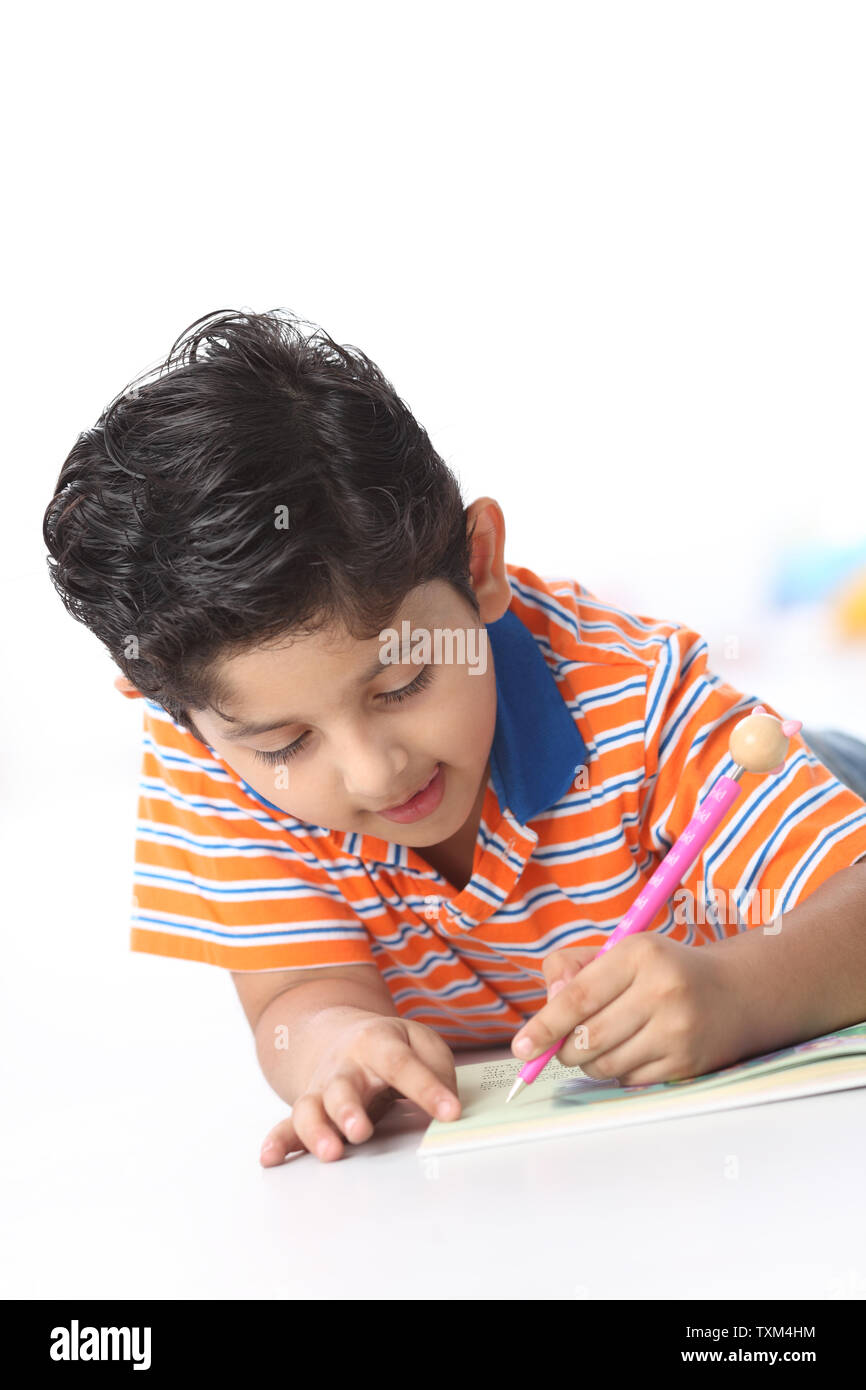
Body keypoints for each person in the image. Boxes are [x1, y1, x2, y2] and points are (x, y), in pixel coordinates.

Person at [42, 308, 866, 1167]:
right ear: (169, 707)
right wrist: (333, 1044)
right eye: (286, 745)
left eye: (403, 682)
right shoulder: (209, 747)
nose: (373, 770)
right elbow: (297, 990)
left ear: (479, 565)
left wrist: (740, 991)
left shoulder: (641, 701)